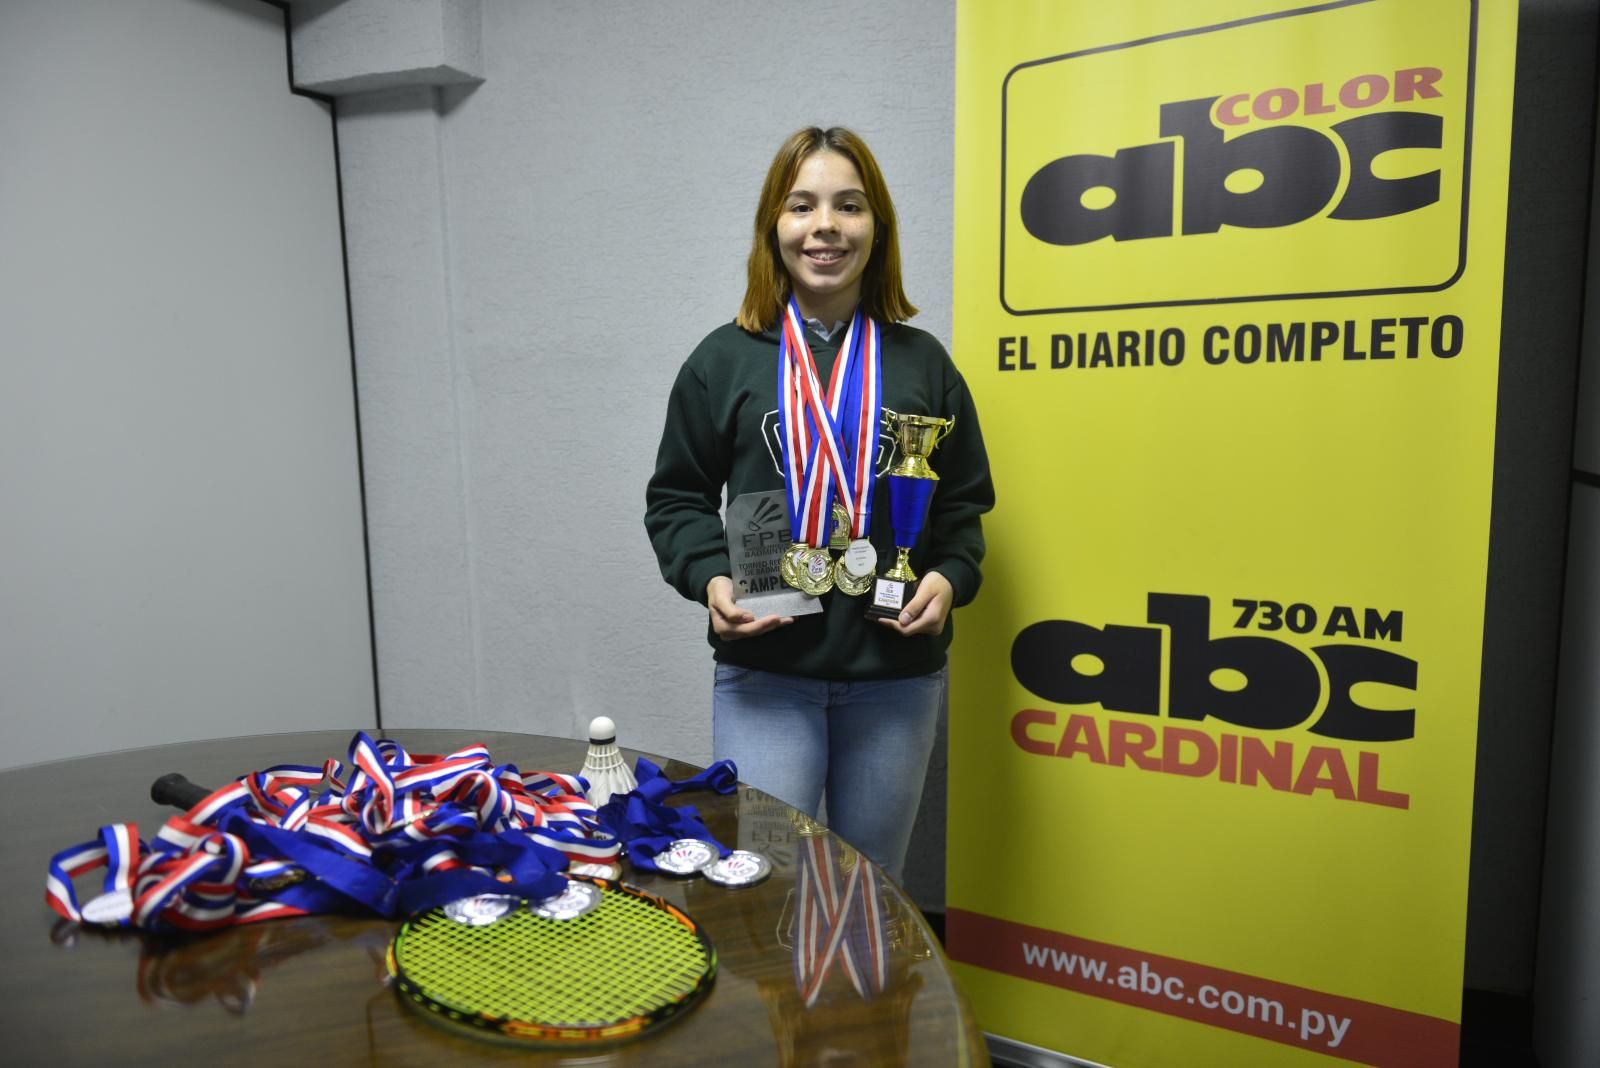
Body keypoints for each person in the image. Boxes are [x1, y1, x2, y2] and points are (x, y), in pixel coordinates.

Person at [644, 127, 993, 881]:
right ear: (775, 224)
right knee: (767, 887)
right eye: (802, 205)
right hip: (767, 672)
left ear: (878, 227)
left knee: (876, 890)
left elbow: (963, 508)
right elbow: (678, 497)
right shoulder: (723, 359)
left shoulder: (922, 362)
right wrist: (711, 578)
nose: (825, 226)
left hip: (896, 674)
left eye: (849, 205)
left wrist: (948, 578)